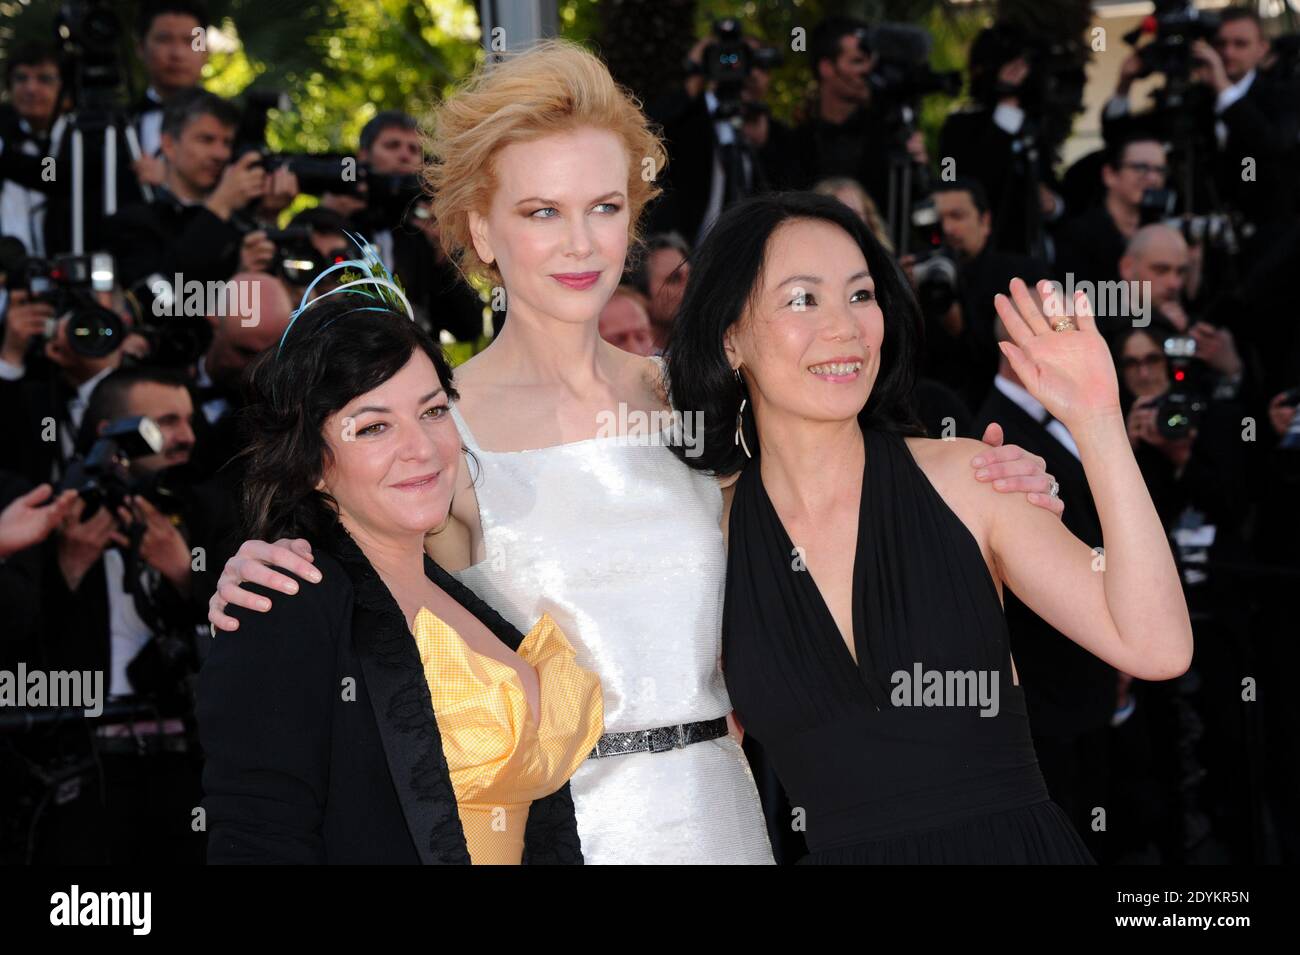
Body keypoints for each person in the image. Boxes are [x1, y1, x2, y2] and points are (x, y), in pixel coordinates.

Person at [205, 40, 1061, 864]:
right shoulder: (440, 431)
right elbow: (363, 589)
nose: (581, 244)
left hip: (726, 814)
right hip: (558, 832)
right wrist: (267, 561)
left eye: (604, 208)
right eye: (543, 212)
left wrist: (991, 483)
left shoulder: (708, 402)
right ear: (483, 230)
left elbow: (849, 501)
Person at [666, 191, 1192, 863]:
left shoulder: (970, 479)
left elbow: (1157, 646)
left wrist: (1097, 422)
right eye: (803, 300)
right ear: (729, 335)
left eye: (860, 296)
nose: (846, 328)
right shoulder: (707, 536)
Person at [197, 260, 601, 863]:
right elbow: (258, 837)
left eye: (433, 411)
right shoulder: (285, 601)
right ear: (310, 461)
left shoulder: (463, 590)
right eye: (373, 427)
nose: (421, 448)